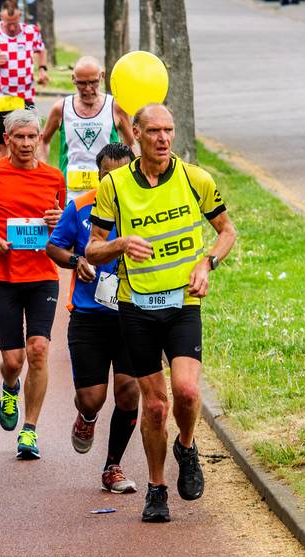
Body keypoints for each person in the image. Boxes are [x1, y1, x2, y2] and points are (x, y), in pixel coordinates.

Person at [85, 104, 238, 523]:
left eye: (168, 130)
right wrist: (121, 244)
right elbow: (92, 247)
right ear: (135, 134)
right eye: (154, 130)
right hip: (136, 306)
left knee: (187, 392)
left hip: (183, 303)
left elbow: (227, 231)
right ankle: (156, 488)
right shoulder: (114, 185)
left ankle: (186, 447)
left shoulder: (195, 178)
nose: (163, 138)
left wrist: (207, 263)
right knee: (154, 407)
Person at [0, 109, 63, 459]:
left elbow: (64, 225)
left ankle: (30, 430)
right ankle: (9, 386)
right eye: (18, 137)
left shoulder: (54, 177)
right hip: (3, 275)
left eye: (31, 136)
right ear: (7, 139)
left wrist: (60, 219)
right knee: (13, 359)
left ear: (39, 139)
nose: (25, 143)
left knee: (38, 349)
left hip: (42, 275)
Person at [45, 142, 139, 493]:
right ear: (98, 176)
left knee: (129, 392)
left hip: (132, 313)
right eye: (105, 177)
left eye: (120, 176)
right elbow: (54, 246)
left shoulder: (144, 205)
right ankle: (86, 418)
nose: (113, 183)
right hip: (89, 315)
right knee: (92, 398)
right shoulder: (81, 205)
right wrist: (76, 261)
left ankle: (112, 466)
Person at [41, 56, 134, 206]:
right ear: (73, 79)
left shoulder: (115, 107)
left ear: (102, 77)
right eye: (82, 83)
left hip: (109, 188)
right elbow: (43, 141)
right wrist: (43, 171)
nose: (88, 89)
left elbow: (131, 143)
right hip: (70, 192)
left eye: (93, 82)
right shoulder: (61, 108)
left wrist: (132, 177)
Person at [0, 0, 49, 158]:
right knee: (1, 147)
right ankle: (3, 180)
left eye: (15, 22)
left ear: (20, 16)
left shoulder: (31, 31)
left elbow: (41, 50)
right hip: (0, 97)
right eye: (7, 23)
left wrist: (42, 69)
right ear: (0, 17)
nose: (12, 27)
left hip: (24, 96)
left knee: (28, 145)